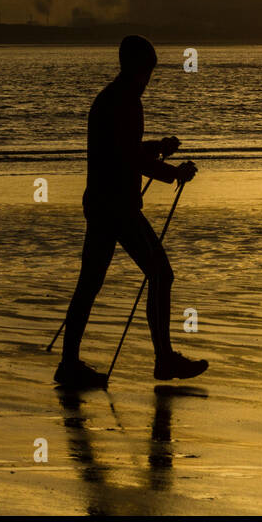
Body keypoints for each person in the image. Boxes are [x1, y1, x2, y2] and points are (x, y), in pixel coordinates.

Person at [55, 35, 207, 388]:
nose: (149, 79)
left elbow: (125, 149)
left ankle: (68, 363)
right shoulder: (125, 102)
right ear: (138, 69)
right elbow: (128, 158)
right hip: (117, 208)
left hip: (100, 204)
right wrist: (173, 173)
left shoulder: (112, 98)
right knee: (160, 273)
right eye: (148, 71)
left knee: (89, 284)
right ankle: (164, 358)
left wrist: (157, 147)